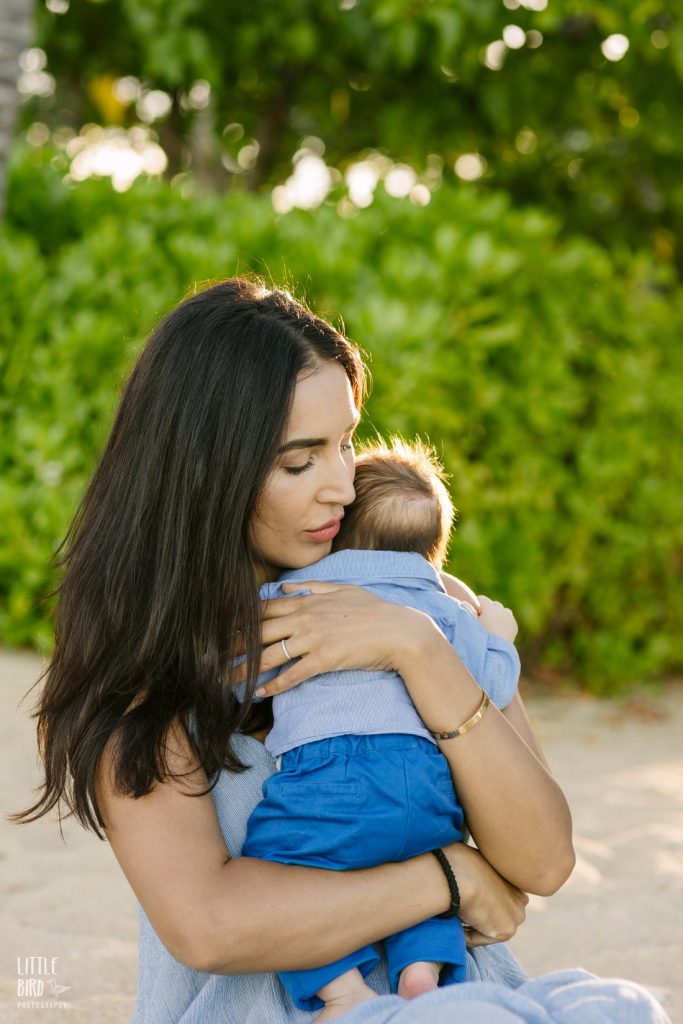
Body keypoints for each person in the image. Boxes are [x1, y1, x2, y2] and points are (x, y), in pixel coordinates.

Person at [11, 278, 670, 1024]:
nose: (340, 488)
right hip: (276, 1011)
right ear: (205, 476)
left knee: (623, 1009)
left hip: (466, 994)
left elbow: (542, 862)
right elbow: (207, 924)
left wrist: (413, 648)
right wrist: (446, 878)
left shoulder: (422, 602)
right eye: (299, 463)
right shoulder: (147, 667)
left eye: (346, 444)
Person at [242, 437, 523, 1018]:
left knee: (270, 866)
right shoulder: (445, 607)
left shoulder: (295, 593)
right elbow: (492, 687)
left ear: (337, 530)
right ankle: (420, 971)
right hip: (428, 786)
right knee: (426, 856)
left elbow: (242, 670)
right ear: (432, 554)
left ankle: (343, 993)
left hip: (331, 777)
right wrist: (497, 636)